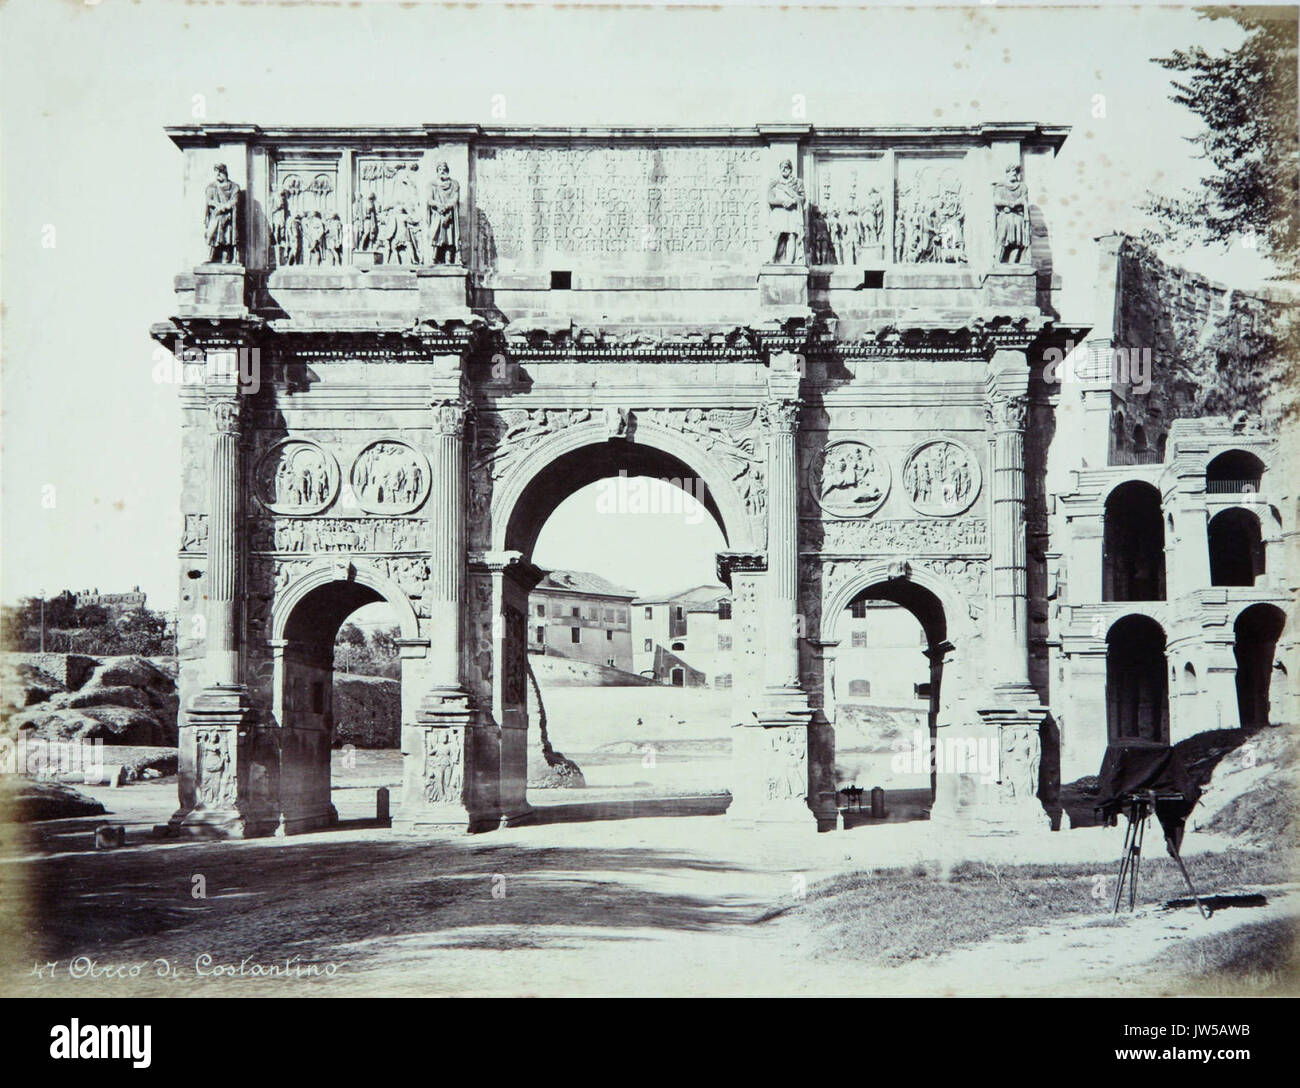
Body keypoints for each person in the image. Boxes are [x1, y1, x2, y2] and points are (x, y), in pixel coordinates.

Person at [767, 159, 805, 264]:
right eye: (782, 167)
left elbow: (802, 198)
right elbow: (770, 199)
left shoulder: (798, 183)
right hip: (779, 213)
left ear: (790, 169)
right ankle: (771, 259)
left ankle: (789, 262)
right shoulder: (774, 183)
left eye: (787, 167)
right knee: (776, 235)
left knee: (792, 235)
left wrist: (793, 201)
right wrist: (782, 202)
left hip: (792, 212)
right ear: (780, 169)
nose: (784, 169)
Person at [993, 164, 1030, 264]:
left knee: (1018, 241)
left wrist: (1015, 204)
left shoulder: (1022, 187)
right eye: (1011, 171)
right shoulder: (1000, 187)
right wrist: (1008, 203)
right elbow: (996, 200)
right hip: (1005, 218)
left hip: (1018, 217)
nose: (1014, 173)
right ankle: (998, 261)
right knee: (1002, 238)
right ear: (1007, 173)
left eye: (1016, 171)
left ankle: (1013, 262)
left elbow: (1024, 200)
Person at [204, 163, 241, 264]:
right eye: (217, 172)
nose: (218, 174)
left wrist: (224, 207)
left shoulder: (234, 187)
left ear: (225, 173)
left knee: (227, 237)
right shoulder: (211, 187)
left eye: (220, 172)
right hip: (216, 215)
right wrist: (218, 206)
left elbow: (235, 200)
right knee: (211, 235)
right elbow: (209, 200)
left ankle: (226, 258)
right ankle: (210, 256)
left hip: (228, 216)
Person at [426, 161, 461, 264]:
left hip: (449, 214)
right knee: (435, 235)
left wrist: (446, 207)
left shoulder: (454, 184)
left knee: (450, 237)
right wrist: (438, 205)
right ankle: (434, 258)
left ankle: (449, 259)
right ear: (437, 171)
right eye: (440, 169)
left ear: (447, 171)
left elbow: (455, 198)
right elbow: (429, 199)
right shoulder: (431, 184)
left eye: (444, 169)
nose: (442, 171)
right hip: (437, 213)